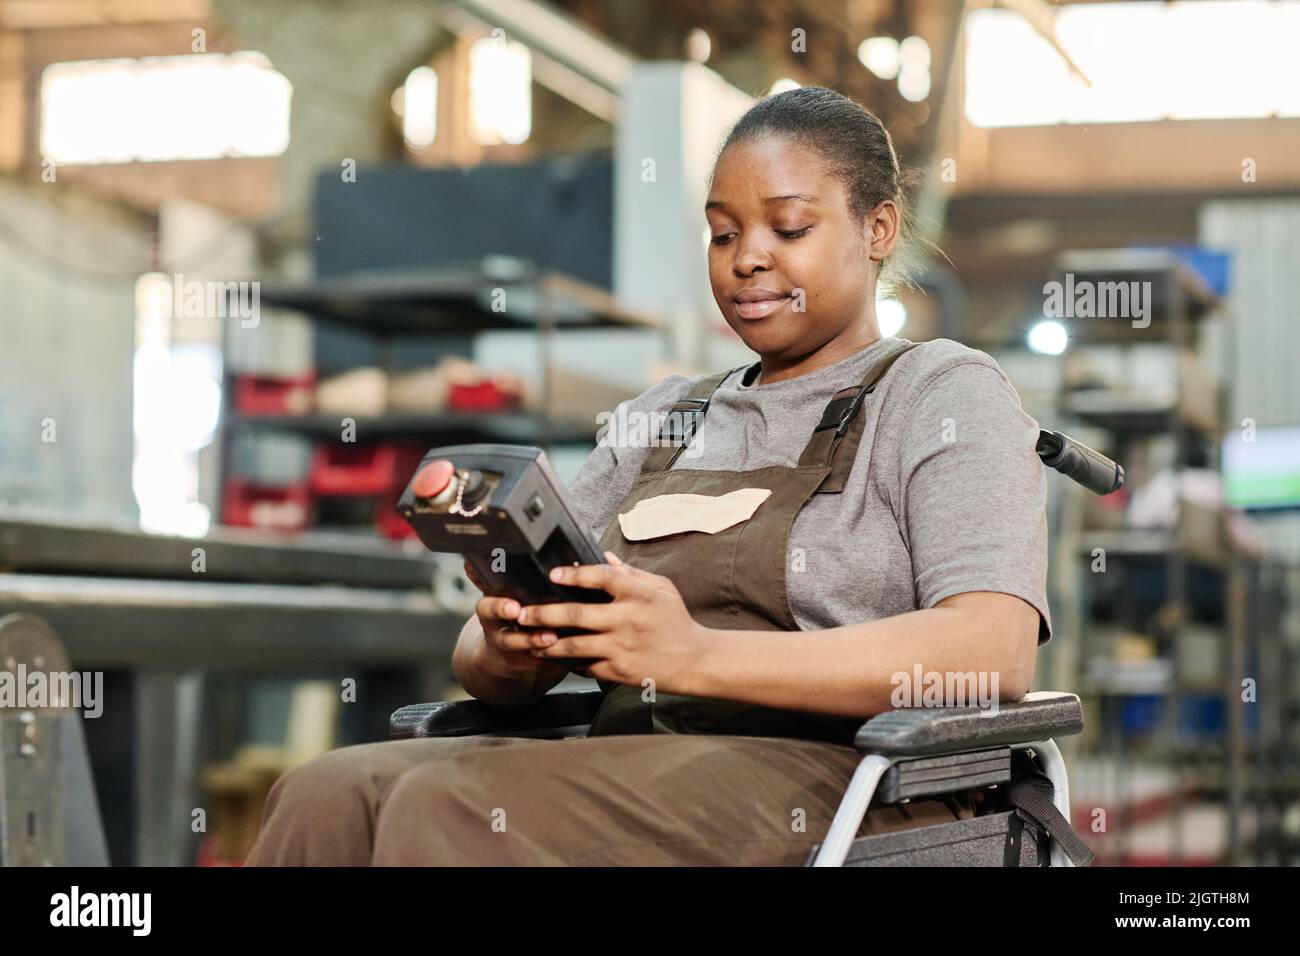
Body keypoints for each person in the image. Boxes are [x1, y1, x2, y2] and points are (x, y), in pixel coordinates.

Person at [246, 86, 1050, 867]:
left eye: (789, 226)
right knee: (328, 795)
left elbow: (993, 646)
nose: (748, 259)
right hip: (637, 758)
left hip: (849, 781)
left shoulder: (940, 391)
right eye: (723, 234)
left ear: (878, 228)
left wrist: (692, 656)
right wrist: (512, 646)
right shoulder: (667, 417)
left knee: (447, 813)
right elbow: (478, 653)